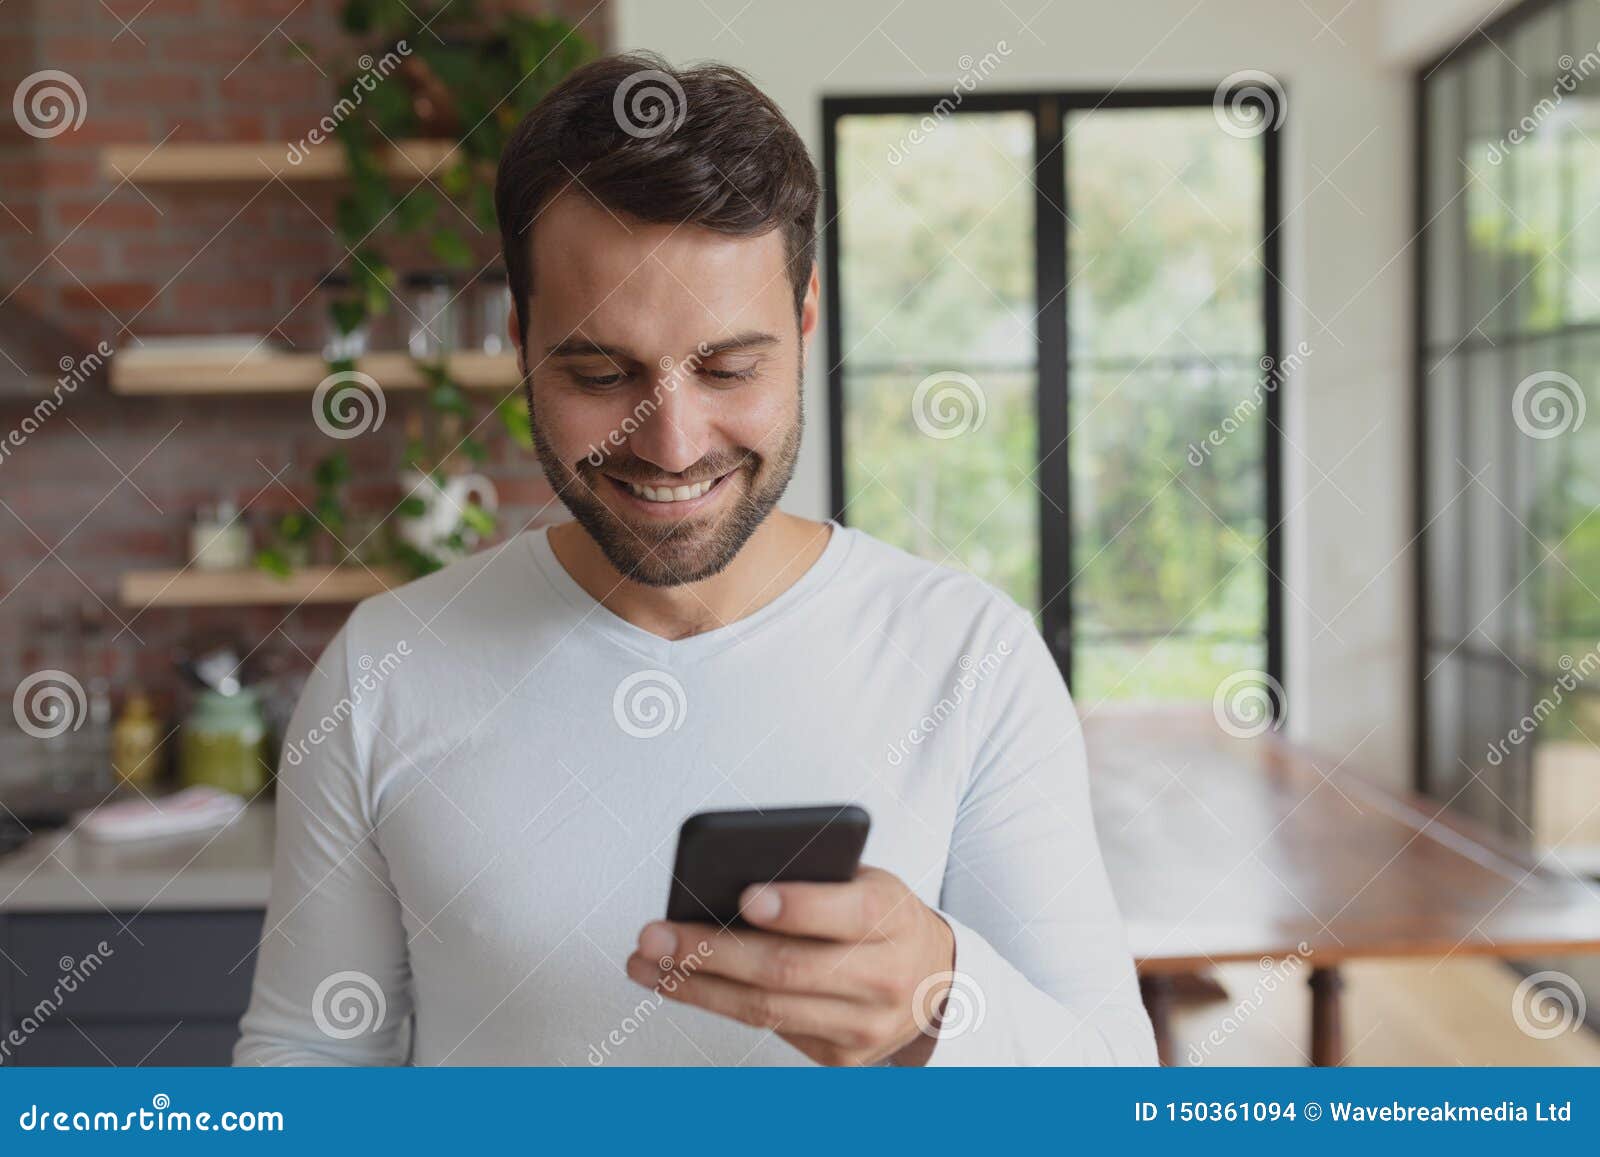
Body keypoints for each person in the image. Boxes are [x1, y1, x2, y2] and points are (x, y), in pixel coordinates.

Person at [234, 52, 1156, 1067]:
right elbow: (304, 1063)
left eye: (727, 367)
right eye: (599, 370)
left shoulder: (968, 657)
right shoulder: (383, 668)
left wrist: (940, 1003)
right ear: (520, 342)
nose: (669, 441)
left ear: (805, 322)